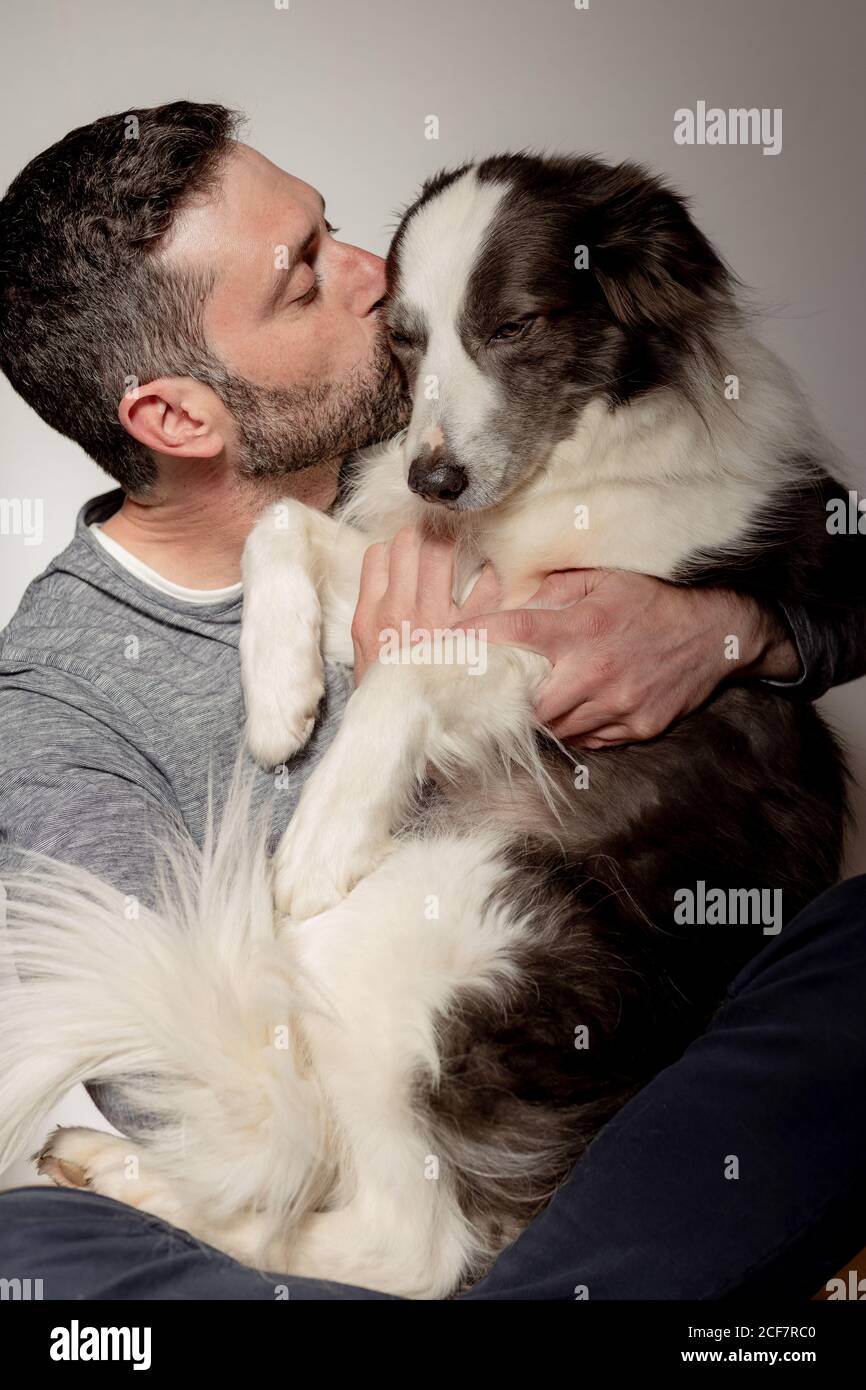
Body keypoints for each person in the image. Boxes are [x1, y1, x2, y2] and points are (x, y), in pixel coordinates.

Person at [0, 101, 864, 1298]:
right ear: (174, 415)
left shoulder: (436, 429)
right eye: (301, 280)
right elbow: (199, 1083)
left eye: (332, 230)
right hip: (457, 1102)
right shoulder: (61, 709)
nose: (375, 278)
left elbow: (829, 543)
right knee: (31, 1251)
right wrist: (404, 687)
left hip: (674, 1012)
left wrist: (730, 630)